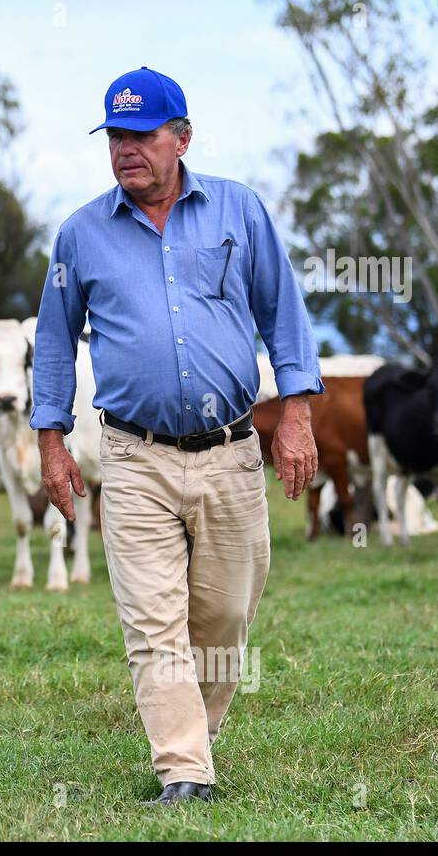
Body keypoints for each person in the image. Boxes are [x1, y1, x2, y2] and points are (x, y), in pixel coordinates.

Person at [30, 67, 322, 805]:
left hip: (229, 452)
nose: (127, 151)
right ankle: (184, 768)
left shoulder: (240, 211)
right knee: (153, 620)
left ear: (182, 138)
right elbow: (58, 343)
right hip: (133, 456)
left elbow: (283, 315)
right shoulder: (80, 234)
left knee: (224, 615)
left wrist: (295, 413)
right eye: (116, 138)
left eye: (142, 135)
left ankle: (195, 729)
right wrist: (50, 438)